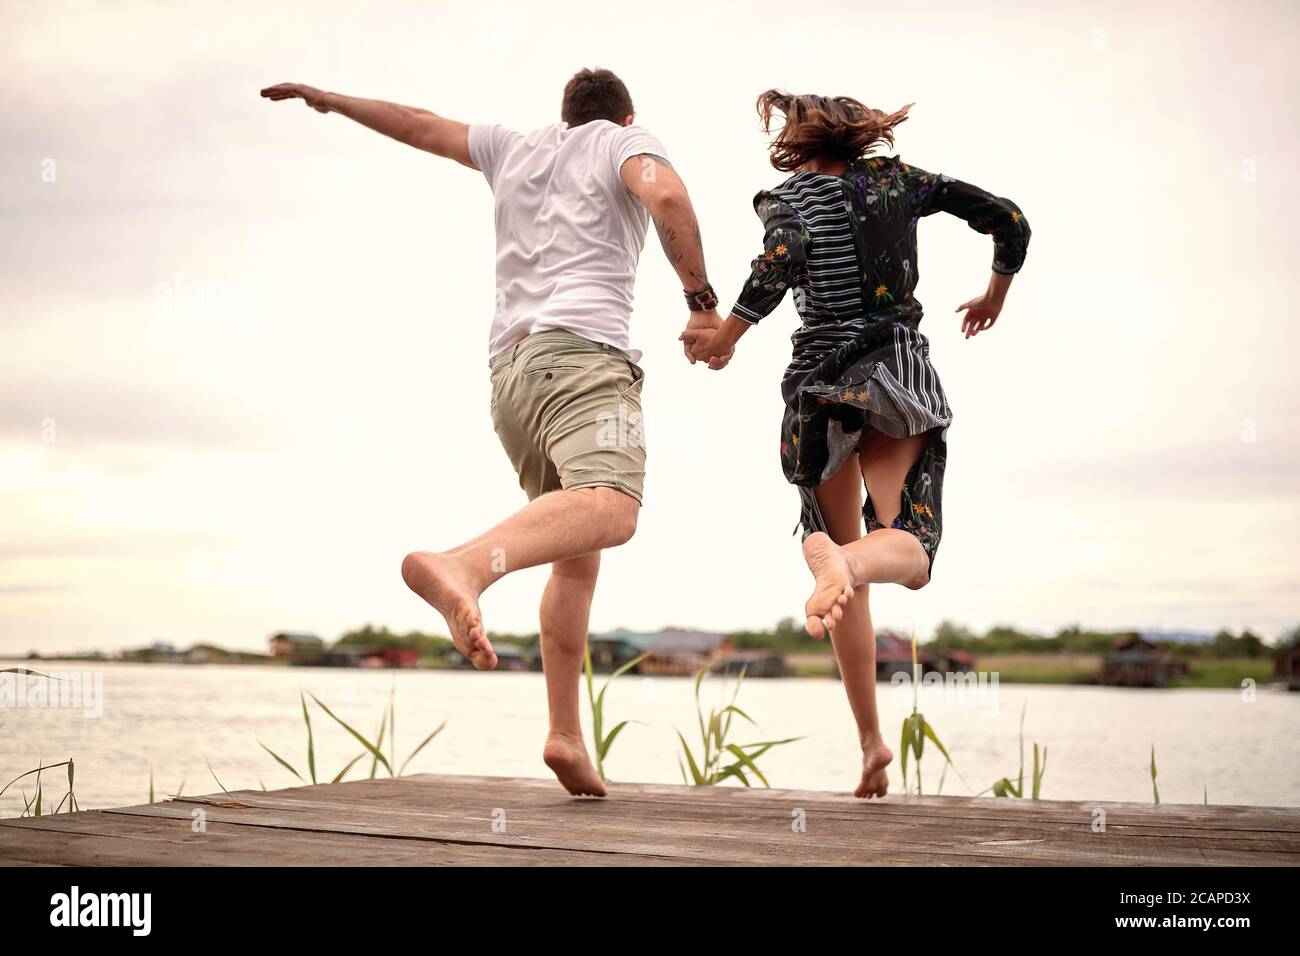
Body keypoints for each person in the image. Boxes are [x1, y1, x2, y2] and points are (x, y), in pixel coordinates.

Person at [261, 69, 724, 796]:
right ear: (625, 114)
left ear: (562, 115)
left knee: (577, 553)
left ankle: (566, 735)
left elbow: (417, 119)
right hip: (582, 361)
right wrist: (701, 303)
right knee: (613, 507)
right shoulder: (625, 140)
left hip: (510, 379)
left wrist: (332, 100)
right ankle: (466, 566)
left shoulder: (513, 146)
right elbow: (665, 193)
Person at [681, 91, 1030, 798]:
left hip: (819, 386)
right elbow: (1010, 219)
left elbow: (782, 258)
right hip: (895, 372)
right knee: (910, 546)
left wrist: (726, 334)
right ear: (858, 136)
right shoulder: (903, 183)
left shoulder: (788, 198)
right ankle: (843, 562)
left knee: (840, 573)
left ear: (794, 140)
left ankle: (872, 745)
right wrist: (995, 294)